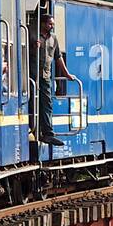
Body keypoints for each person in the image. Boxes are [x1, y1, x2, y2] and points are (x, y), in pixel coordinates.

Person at [37, 12, 70, 148]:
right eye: (50, 24)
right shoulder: (32, 35)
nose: (51, 26)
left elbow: (58, 57)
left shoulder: (53, 38)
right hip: (32, 74)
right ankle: (34, 129)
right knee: (34, 102)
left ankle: (48, 133)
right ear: (43, 24)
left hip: (46, 76)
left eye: (53, 24)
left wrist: (66, 74)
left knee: (47, 103)